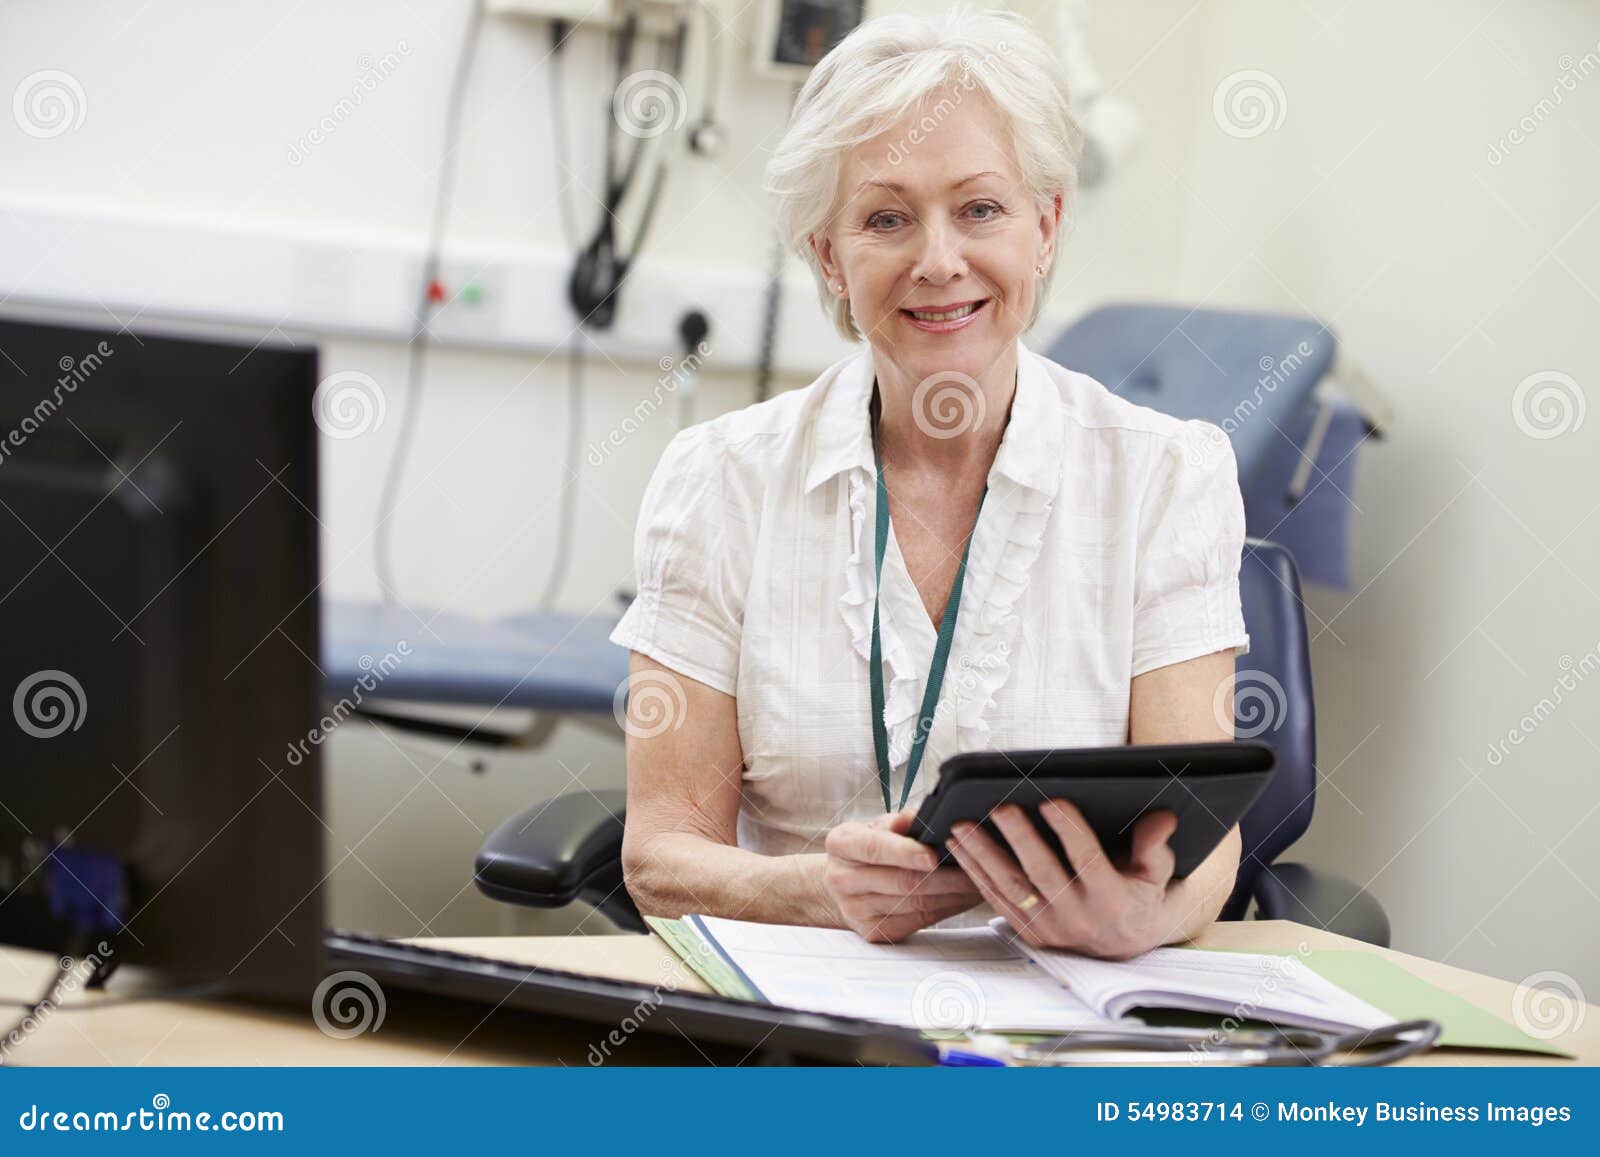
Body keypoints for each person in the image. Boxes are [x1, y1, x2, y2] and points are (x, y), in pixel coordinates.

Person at [609, 5, 1250, 959]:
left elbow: (1206, 840)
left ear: (1046, 226)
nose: (939, 261)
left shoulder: (1165, 478)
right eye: (886, 218)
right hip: (795, 1019)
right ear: (829, 256)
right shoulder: (720, 481)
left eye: (980, 209)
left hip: (1061, 1006)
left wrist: (1144, 919)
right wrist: (816, 890)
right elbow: (661, 856)